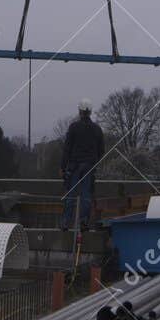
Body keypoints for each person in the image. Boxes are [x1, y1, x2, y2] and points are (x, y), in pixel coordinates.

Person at [60, 99, 105, 231]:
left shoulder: (74, 127)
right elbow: (101, 150)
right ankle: (84, 222)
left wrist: (63, 167)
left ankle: (66, 222)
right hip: (89, 167)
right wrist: (94, 162)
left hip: (74, 167)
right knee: (86, 195)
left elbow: (67, 149)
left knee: (71, 195)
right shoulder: (97, 129)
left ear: (80, 111)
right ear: (90, 112)